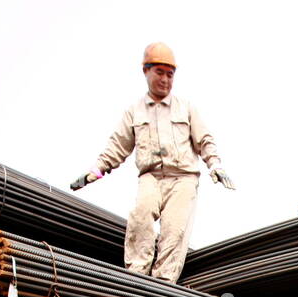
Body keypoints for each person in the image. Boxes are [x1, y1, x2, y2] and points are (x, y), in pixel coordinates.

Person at [74, 42, 234, 282]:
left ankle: (163, 283)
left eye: (170, 74)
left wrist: (216, 166)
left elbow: (205, 140)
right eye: (160, 72)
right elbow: (118, 146)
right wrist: (93, 173)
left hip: (183, 178)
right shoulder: (135, 112)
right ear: (146, 71)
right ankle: (136, 278)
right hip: (150, 176)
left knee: (174, 230)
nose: (165, 80)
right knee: (140, 218)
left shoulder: (186, 108)